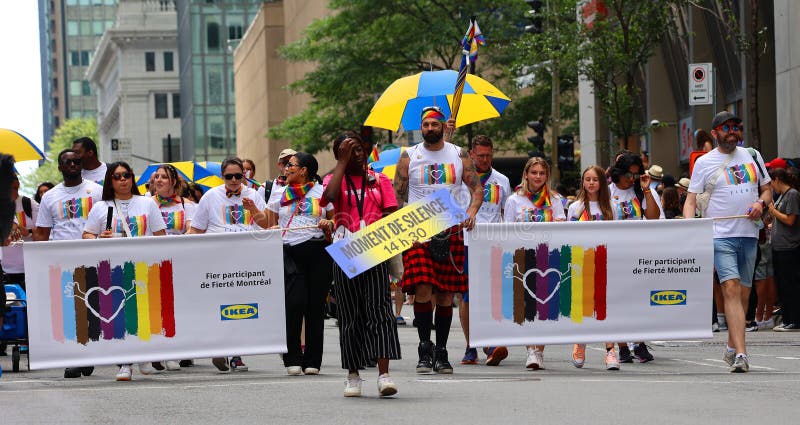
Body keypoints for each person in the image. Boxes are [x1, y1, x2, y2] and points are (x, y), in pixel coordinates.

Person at [393, 106, 483, 374]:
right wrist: (403, 225)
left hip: (451, 229)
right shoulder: (409, 155)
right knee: (422, 289)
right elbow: (399, 196)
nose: (430, 128)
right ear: (421, 128)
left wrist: (471, 212)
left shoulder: (459, 154)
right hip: (418, 231)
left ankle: (441, 352)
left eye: (435, 124)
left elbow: (477, 188)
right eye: (426, 125)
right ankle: (424, 348)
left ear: (444, 126)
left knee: (445, 295)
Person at [683, 111, 772, 372]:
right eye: (726, 127)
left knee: (744, 294)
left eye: (736, 127)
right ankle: (742, 355)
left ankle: (732, 345)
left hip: (749, 233)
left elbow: (766, 190)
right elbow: (691, 199)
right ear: (715, 133)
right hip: (719, 235)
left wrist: (760, 203)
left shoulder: (753, 156)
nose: (732, 131)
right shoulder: (704, 162)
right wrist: (690, 227)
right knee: (730, 288)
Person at [322, 131, 401, 397]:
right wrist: (342, 164)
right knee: (350, 315)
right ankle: (353, 374)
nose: (357, 154)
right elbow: (330, 199)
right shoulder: (333, 180)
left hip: (375, 250)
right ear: (339, 155)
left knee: (380, 311)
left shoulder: (379, 180)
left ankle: (384, 374)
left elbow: (391, 212)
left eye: (359, 149)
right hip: (346, 251)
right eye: (349, 151)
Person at [82, 162, 167, 381]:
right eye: (117, 176)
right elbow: (87, 235)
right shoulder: (101, 207)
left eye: (126, 175)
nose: (122, 180)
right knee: (119, 315)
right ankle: (125, 363)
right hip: (113, 270)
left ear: (132, 178)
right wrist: (101, 238)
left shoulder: (147, 204)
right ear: (110, 180)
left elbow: (161, 235)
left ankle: (143, 354)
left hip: (144, 267)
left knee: (142, 314)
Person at [189, 157, 269, 372]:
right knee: (219, 304)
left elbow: (267, 224)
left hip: (246, 259)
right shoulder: (210, 196)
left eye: (238, 176)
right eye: (229, 176)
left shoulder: (253, 194)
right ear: (221, 177)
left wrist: (253, 209)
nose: (233, 180)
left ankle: (236, 354)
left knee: (241, 306)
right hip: (217, 258)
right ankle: (219, 348)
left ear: (244, 175)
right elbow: (196, 229)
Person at [34, 149, 104, 379]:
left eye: (76, 161)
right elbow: (42, 232)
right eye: (68, 162)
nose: (73, 165)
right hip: (63, 259)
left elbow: (106, 221)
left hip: (92, 255)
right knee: (71, 308)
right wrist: (40, 262)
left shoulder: (96, 191)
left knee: (92, 306)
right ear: (60, 167)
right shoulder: (50, 196)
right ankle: (74, 357)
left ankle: (87, 353)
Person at [266, 152, 334, 376]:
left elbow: (338, 219)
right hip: (289, 253)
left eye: (290, 165)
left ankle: (313, 360)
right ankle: (292, 358)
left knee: (315, 308)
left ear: (304, 170)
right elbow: (266, 222)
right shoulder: (279, 193)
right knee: (293, 305)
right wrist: (261, 218)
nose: (286, 169)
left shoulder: (322, 192)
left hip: (318, 251)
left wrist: (329, 223)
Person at [504, 157, 565, 369]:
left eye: (542, 173)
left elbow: (562, 228)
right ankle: (530, 350)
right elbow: (507, 230)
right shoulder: (514, 200)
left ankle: (540, 350)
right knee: (527, 305)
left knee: (545, 307)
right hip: (523, 256)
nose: (538, 177)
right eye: (534, 172)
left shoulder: (556, 200)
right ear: (526, 174)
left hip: (549, 255)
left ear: (547, 176)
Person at [458, 135, 511, 367]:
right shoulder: (461, 179)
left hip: (494, 245)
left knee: (492, 296)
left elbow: (505, 214)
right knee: (468, 296)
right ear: (472, 154)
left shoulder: (502, 180)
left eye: (489, 155)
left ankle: (490, 342)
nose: (485, 159)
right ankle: (471, 346)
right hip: (467, 243)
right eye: (480, 155)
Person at [608, 152, 662, 363]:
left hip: (639, 252)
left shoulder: (641, 192)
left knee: (639, 300)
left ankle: (639, 343)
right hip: (614, 253)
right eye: (629, 175)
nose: (632, 179)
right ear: (619, 173)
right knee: (618, 301)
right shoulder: (608, 192)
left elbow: (653, 216)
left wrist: (647, 188)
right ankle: (622, 346)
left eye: (636, 175)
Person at [566, 165, 620, 371]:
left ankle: (610, 351)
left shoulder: (611, 207)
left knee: (605, 308)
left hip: (605, 260)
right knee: (583, 307)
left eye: (595, 179)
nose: (591, 183)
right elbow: (568, 235)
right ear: (582, 182)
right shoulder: (575, 207)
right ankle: (580, 344)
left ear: (602, 183)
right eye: (587, 179)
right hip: (581, 261)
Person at [150, 163, 198, 369]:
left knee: (176, 306)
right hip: (151, 259)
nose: (159, 180)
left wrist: (177, 244)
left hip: (179, 261)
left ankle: (176, 350)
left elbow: (192, 229)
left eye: (164, 177)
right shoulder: (145, 203)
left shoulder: (187, 205)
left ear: (174, 182)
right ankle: (157, 351)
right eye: (156, 177)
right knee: (156, 306)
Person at [766, 168, 799, 331]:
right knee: (782, 284)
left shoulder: (792, 194)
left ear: (777, 179)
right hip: (779, 246)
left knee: (790, 284)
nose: (772, 187)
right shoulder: (782, 196)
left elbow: (791, 220)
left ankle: (793, 319)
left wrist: (773, 212)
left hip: (789, 247)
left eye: (772, 183)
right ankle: (787, 318)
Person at [1, 175, 39, 290]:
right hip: (3, 268)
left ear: (17, 184)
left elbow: (44, 231)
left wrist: (28, 232)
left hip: (27, 267)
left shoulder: (29, 203)